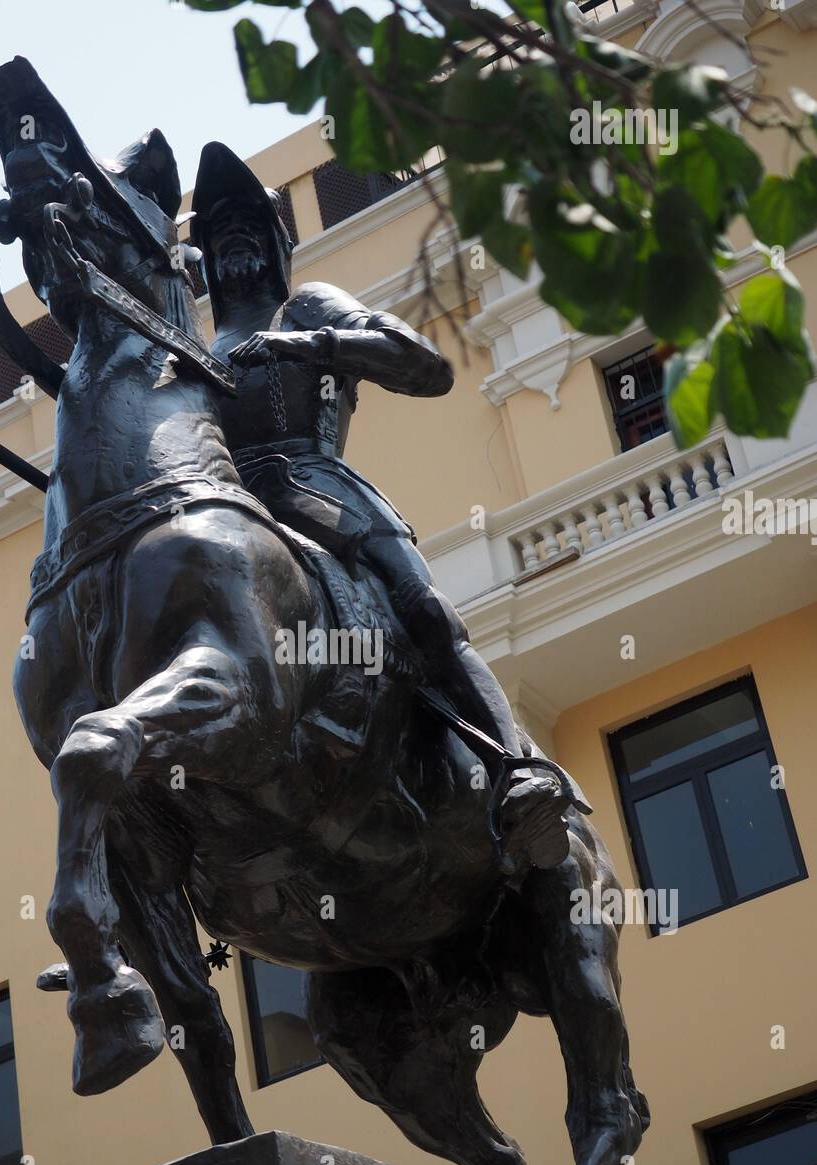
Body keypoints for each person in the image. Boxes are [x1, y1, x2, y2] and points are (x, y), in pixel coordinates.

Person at [190, 143, 578, 871]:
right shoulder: (193, 344)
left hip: (319, 491)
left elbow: (421, 366)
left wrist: (304, 344)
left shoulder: (305, 304)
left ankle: (517, 770)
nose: (231, 234)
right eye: (217, 229)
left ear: (275, 242)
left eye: (246, 221)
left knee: (422, 608)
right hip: (225, 506)